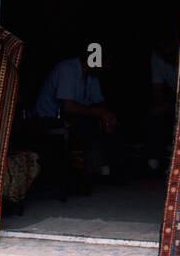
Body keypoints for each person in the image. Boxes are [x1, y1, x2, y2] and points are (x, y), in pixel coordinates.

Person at [33, 44, 119, 180]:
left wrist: (107, 117)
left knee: (107, 120)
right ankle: (90, 172)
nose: (109, 68)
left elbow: (98, 102)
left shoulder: (92, 76)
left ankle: (108, 170)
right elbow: (68, 108)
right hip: (49, 118)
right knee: (88, 123)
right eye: (106, 63)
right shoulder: (67, 69)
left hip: (74, 115)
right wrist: (100, 113)